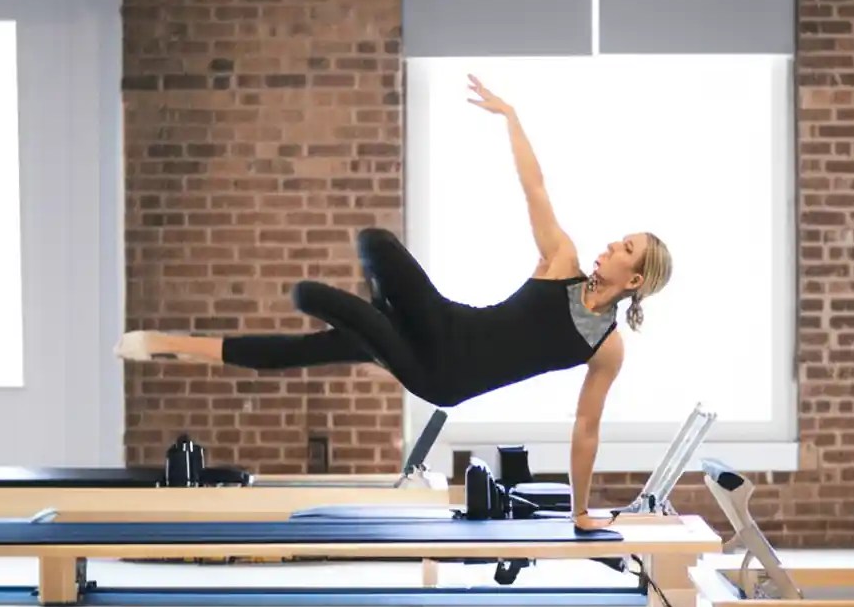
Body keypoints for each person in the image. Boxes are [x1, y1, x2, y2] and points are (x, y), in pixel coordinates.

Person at [115, 75, 673, 530]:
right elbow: (536, 188)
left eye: (625, 248)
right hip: (446, 323)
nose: (610, 245)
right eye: (619, 238)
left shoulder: (607, 347)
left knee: (314, 299)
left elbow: (586, 426)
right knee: (374, 244)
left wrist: (579, 510)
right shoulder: (562, 263)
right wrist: (511, 117)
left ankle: (181, 344)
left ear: (636, 279)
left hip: (442, 375)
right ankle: (175, 343)